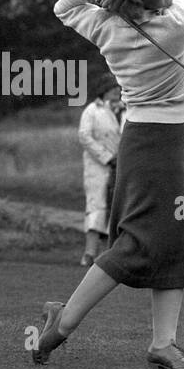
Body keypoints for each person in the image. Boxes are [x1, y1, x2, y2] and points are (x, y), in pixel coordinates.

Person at [35, 0, 184, 369]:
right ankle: (63, 322)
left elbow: (63, 6)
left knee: (180, 238)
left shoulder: (104, 26)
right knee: (139, 242)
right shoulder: (176, 28)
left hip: (153, 140)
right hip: (160, 144)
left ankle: (164, 343)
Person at [77, 75, 121, 266]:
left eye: (119, 88)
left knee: (117, 207)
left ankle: (110, 253)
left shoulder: (125, 110)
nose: (117, 91)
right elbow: (85, 137)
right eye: (113, 88)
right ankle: (89, 253)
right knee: (96, 205)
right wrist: (106, 157)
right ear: (103, 90)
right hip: (97, 166)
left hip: (121, 166)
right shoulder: (92, 110)